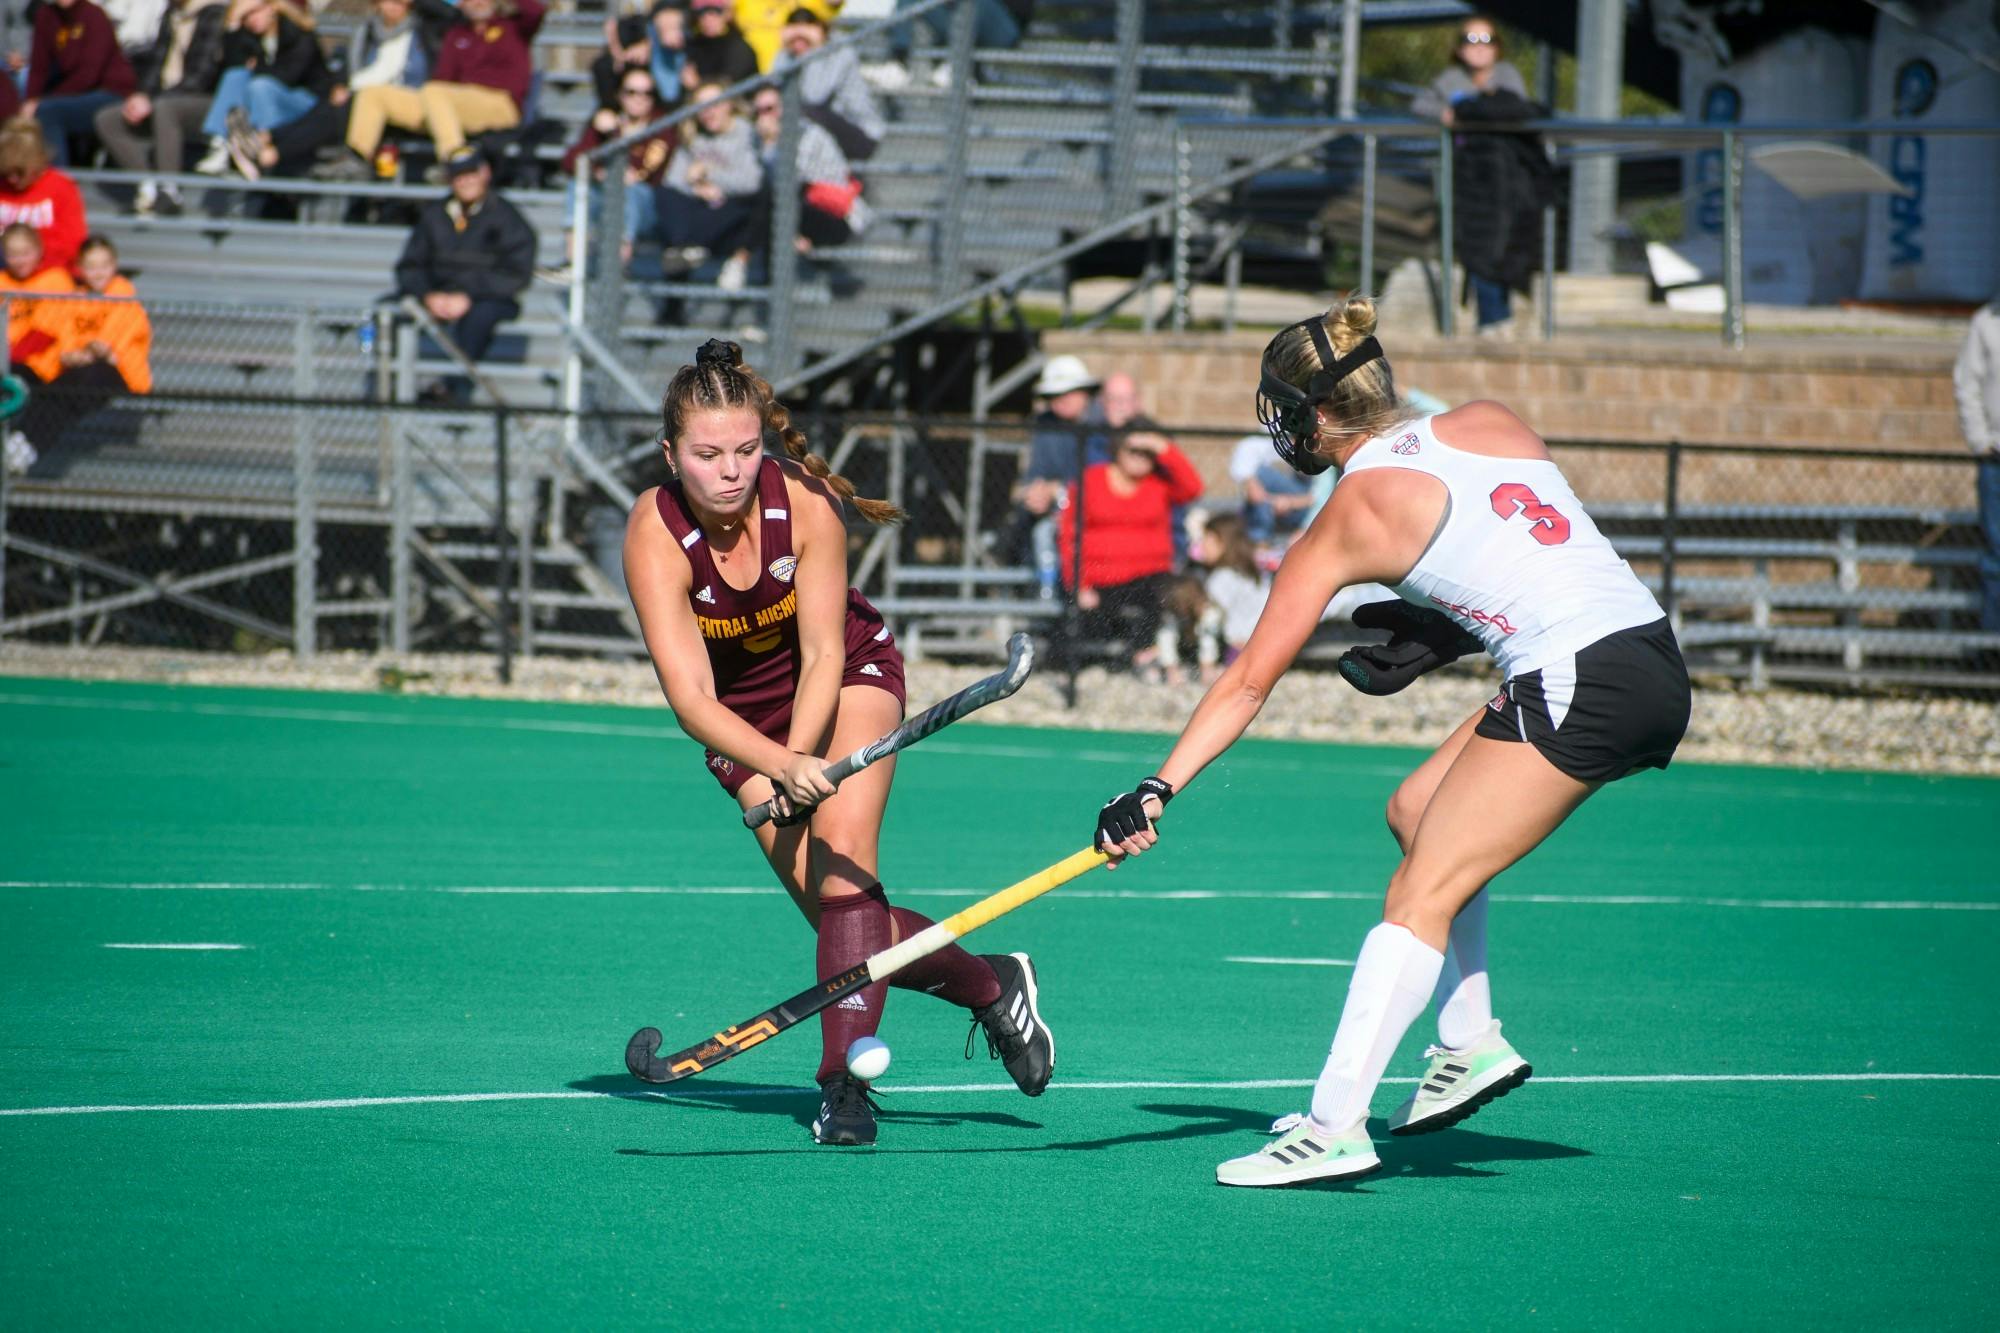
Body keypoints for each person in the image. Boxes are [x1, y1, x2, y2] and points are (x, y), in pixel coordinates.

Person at [1092, 296, 1690, 1187]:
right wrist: (1451, 624)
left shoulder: (1346, 515)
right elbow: (1522, 540)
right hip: (1645, 651)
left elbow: (1248, 678)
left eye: (1288, 410)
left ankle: (1334, 1126)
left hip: (1576, 678)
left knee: (1420, 893)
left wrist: (1157, 784)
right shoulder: (1488, 417)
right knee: (1414, 810)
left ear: (1322, 415)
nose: (1285, 428)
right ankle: (1469, 1039)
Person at [621, 337, 1056, 1146]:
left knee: (846, 852)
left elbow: (824, 652)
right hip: (742, 726)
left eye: (746, 450)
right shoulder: (654, 532)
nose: (731, 471)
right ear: (670, 451)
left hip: (849, 674)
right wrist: (781, 763)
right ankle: (990, 983)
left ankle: (842, 1085)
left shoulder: (808, 505)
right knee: (844, 926)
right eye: (708, 454)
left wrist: (809, 758)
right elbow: (690, 697)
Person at [1412, 15, 1548, 336]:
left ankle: (1498, 318)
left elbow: (1512, 111)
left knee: (1503, 246)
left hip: (1506, 180)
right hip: (1469, 178)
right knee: (1477, 246)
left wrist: (1469, 111)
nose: (1479, 48)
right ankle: (1490, 320)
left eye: (1486, 40)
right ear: (1459, 49)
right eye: (1471, 41)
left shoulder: (1507, 76)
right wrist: (1446, 114)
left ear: (1497, 47)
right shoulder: (1450, 80)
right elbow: (1421, 105)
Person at [235, 0, 453, 181]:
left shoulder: (423, 30)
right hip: (361, 95)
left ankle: (271, 149)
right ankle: (266, 144)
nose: (393, 6)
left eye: (399, 2)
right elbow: (347, 65)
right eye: (387, 1)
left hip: (404, 98)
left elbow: (450, 14)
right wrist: (340, 84)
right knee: (332, 104)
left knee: (337, 112)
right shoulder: (366, 31)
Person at [1055, 422, 1204, 679]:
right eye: (1133, 449)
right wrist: (1078, 582)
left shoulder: (1159, 482)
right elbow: (1068, 534)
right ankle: (1120, 660)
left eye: (1147, 452)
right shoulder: (1090, 479)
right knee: (1087, 617)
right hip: (1100, 580)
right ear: (1118, 448)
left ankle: (1148, 655)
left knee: (1169, 591)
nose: (1140, 457)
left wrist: (1163, 447)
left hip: (1150, 577)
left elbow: (1193, 488)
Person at [392, 144, 535, 404]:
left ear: (485, 173)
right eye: (459, 175)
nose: (467, 181)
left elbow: (516, 273)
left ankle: (454, 388)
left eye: (472, 173)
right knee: (385, 313)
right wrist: (428, 295)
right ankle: (388, 387)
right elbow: (410, 265)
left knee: (480, 317)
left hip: (488, 297)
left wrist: (467, 295)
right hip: (438, 295)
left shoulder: (506, 218)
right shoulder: (434, 215)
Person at [345, 0, 545, 171]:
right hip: (452, 103)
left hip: (499, 103)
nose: (477, 2)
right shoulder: (457, 33)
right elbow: (443, 77)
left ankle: (455, 160)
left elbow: (535, 11)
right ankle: (358, 156)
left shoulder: (513, 27)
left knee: (435, 92)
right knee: (373, 94)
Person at [11, 232, 150, 455]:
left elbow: (111, 347)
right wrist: (74, 354)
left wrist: (92, 351)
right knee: (54, 388)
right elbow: (66, 342)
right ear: (80, 268)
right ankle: (22, 444)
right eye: (91, 266)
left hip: (117, 373)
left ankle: (27, 446)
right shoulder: (75, 298)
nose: (98, 273)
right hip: (79, 369)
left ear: (114, 265)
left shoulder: (124, 296)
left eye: (104, 265)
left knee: (89, 376)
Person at [91, 0, 227, 212]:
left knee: (165, 107)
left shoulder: (214, 15)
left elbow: (201, 76)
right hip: (164, 98)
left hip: (206, 103)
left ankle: (169, 188)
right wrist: (141, 96)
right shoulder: (170, 15)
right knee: (107, 119)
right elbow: (155, 65)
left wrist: (152, 101)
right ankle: (148, 186)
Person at [191, 0, 329, 176]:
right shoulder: (251, 38)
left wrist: (257, 68)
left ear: (271, 8)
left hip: (307, 101)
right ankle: (220, 142)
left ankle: (262, 150)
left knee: (260, 86)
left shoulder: (298, 34)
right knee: (236, 77)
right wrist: (233, 25)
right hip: (266, 98)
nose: (251, 19)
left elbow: (288, 77)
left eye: (254, 12)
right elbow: (233, 66)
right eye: (245, 16)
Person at [1009, 353, 1101, 597]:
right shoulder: (1046, 425)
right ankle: (1044, 595)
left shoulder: (1102, 424)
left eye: (1067, 392)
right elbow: (1034, 474)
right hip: (1055, 510)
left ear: (1085, 392)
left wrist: (1057, 490)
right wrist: (1034, 493)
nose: (1059, 401)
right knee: (1034, 529)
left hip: (1095, 511)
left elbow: (1100, 480)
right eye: (1052, 396)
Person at [560, 68, 672, 265]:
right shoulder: (603, 121)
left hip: (645, 205)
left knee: (631, 192)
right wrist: (597, 169)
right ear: (620, 95)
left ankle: (618, 265)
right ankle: (572, 261)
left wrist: (615, 134)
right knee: (577, 185)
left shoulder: (661, 126)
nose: (639, 99)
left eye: (647, 93)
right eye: (632, 92)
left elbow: (642, 173)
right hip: (604, 193)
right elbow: (571, 161)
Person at [650, 82, 762, 274]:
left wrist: (711, 176)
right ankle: (685, 250)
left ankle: (686, 250)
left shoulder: (747, 134)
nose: (708, 112)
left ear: (729, 104)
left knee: (743, 204)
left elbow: (752, 182)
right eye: (701, 107)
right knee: (665, 194)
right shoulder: (693, 135)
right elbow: (674, 180)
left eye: (714, 104)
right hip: (698, 205)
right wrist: (698, 189)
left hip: (730, 210)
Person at [24, 0, 138, 165]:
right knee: (25, 113)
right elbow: (38, 67)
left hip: (110, 91)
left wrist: (43, 102)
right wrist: (30, 100)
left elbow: (89, 74)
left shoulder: (94, 15)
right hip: (71, 93)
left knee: (48, 112)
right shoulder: (46, 16)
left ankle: (58, 182)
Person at [0, 221, 72, 474]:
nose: (19, 260)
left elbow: (43, 333)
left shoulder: (54, 280)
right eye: (12, 254)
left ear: (39, 251)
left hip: (36, 366)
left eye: (25, 253)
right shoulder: (3, 280)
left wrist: (5, 357)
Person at [772, 6, 879, 162]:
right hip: (817, 131)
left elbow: (814, 95)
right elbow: (774, 85)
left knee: (805, 111)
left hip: (859, 132)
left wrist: (810, 51)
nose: (799, 41)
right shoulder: (786, 55)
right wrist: (790, 49)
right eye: (794, 35)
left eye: (805, 35)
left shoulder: (840, 52)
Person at [1954, 295, 2000, 633]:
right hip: (1995, 460)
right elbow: (1966, 384)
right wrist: (1981, 441)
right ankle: (1991, 657)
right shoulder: (1985, 322)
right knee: (1996, 558)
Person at [0, 117, 88, 274]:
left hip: (49, 275)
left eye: (19, 172)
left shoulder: (60, 187)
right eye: (6, 172)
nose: (12, 179)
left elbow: (73, 243)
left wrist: (28, 257)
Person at [683, 0, 756, 92]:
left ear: (726, 15)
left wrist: (697, 85)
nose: (708, 20)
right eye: (701, 15)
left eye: (714, 13)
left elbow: (727, 86)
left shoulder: (738, 47)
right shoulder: (695, 46)